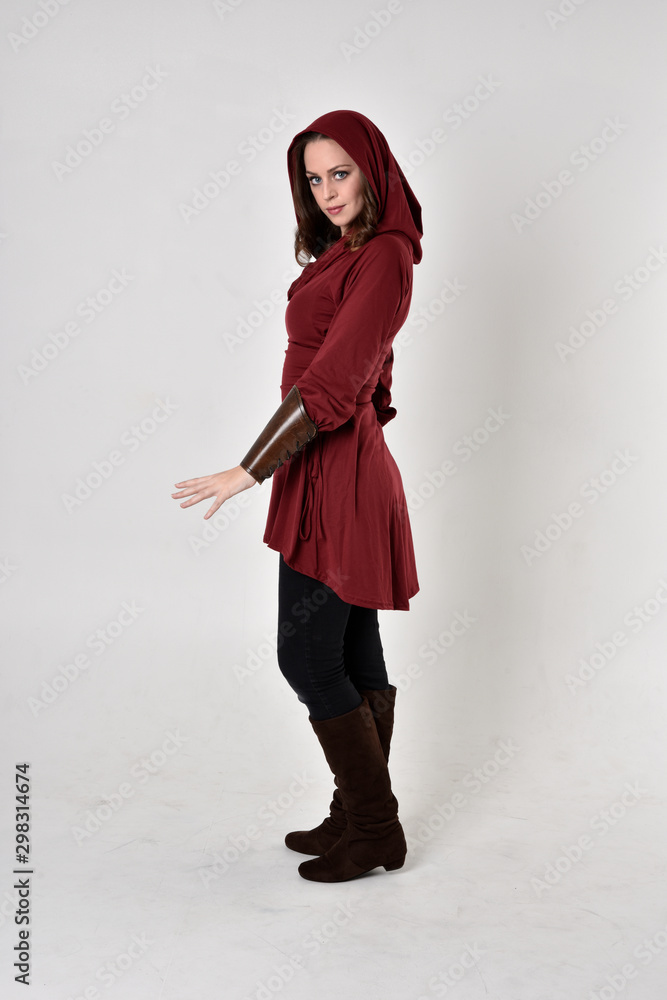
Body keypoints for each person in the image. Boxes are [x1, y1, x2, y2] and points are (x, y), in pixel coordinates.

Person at [172, 110, 423, 883]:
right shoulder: (340, 252)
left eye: (339, 173)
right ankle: (358, 815)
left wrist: (249, 468)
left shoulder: (384, 256)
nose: (326, 191)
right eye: (313, 180)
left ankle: (375, 826)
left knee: (304, 655)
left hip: (340, 472)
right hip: (320, 465)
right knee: (348, 648)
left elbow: (339, 376)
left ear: (372, 170)